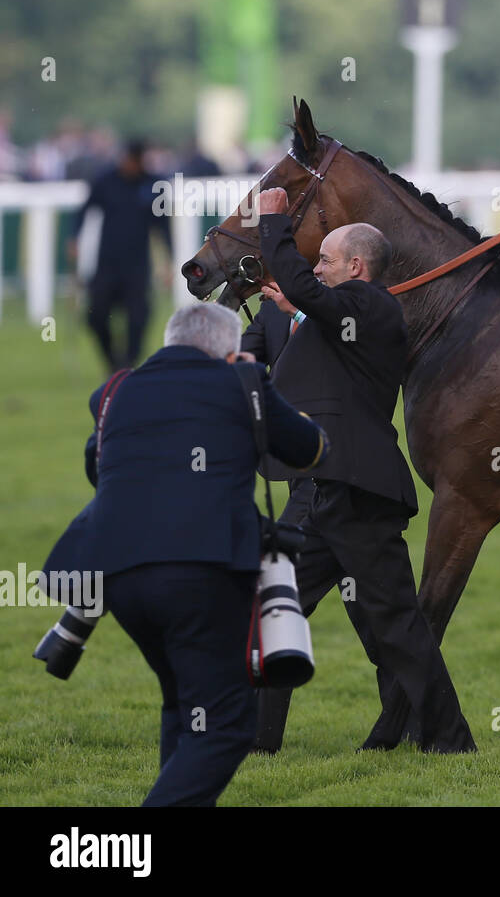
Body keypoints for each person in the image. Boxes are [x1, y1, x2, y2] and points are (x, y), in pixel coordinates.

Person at [252, 189, 476, 753]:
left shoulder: (372, 305)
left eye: (324, 259)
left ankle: (449, 741)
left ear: (356, 266)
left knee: (396, 626)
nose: (315, 268)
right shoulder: (347, 316)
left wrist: (274, 219)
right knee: (275, 610)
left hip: (356, 491)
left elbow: (307, 292)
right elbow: (310, 308)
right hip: (328, 490)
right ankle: (254, 740)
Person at [79, 302, 327, 806]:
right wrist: (258, 386)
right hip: (201, 571)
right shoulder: (240, 384)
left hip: (121, 574)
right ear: (230, 351)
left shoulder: (116, 390)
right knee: (228, 726)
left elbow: (98, 468)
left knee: (183, 702)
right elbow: (311, 449)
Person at [240, 287, 397, 754]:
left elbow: (348, 354)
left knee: (276, 600)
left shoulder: (347, 307)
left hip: (338, 478)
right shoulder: (271, 309)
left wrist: (303, 311)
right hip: (306, 483)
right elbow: (245, 359)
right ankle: (414, 720)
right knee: (377, 615)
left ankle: (258, 741)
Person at [68, 139, 171, 372]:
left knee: (138, 319)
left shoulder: (153, 185)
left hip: (137, 267)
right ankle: (112, 360)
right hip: (107, 265)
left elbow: (163, 227)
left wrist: (168, 262)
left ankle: (128, 363)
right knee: (96, 316)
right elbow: (84, 210)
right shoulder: (106, 180)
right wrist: (74, 238)